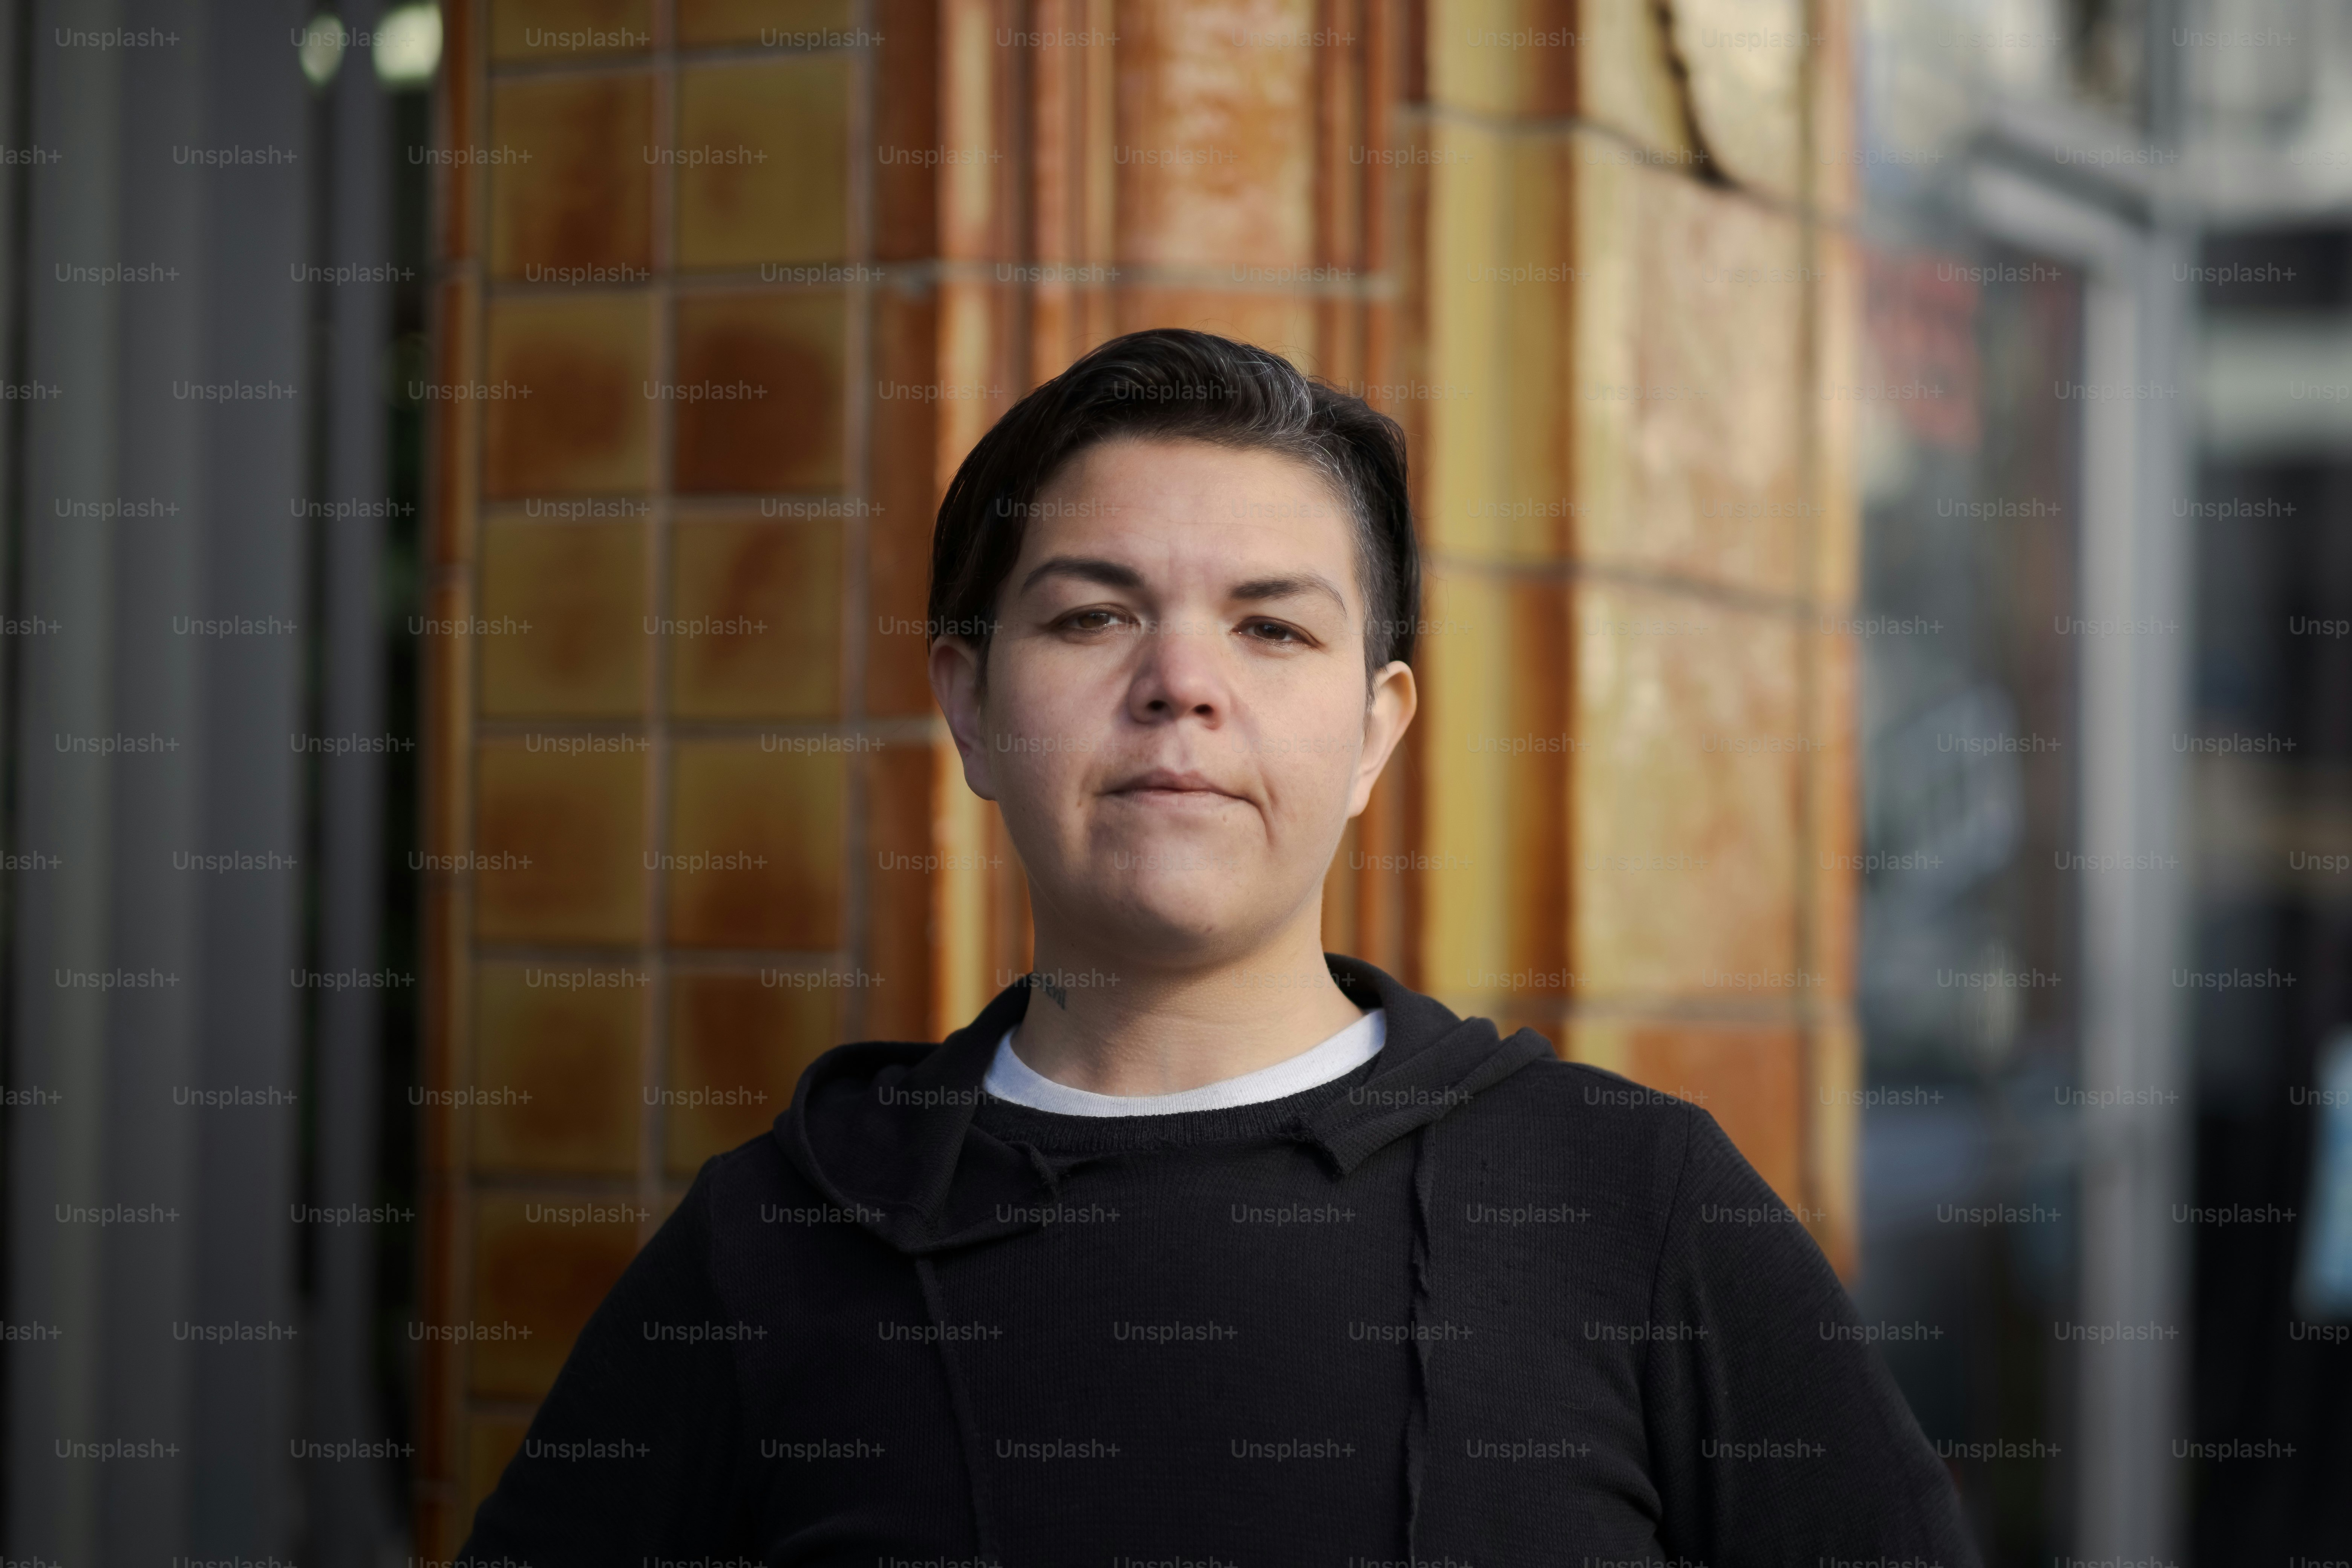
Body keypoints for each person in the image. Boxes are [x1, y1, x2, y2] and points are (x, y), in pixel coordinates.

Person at [459, 328, 1976, 1567]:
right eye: (1090, 616)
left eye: (1272, 627)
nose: (1181, 682)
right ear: (970, 704)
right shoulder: (779, 1237)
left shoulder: (1629, 1201)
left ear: (1378, 727)